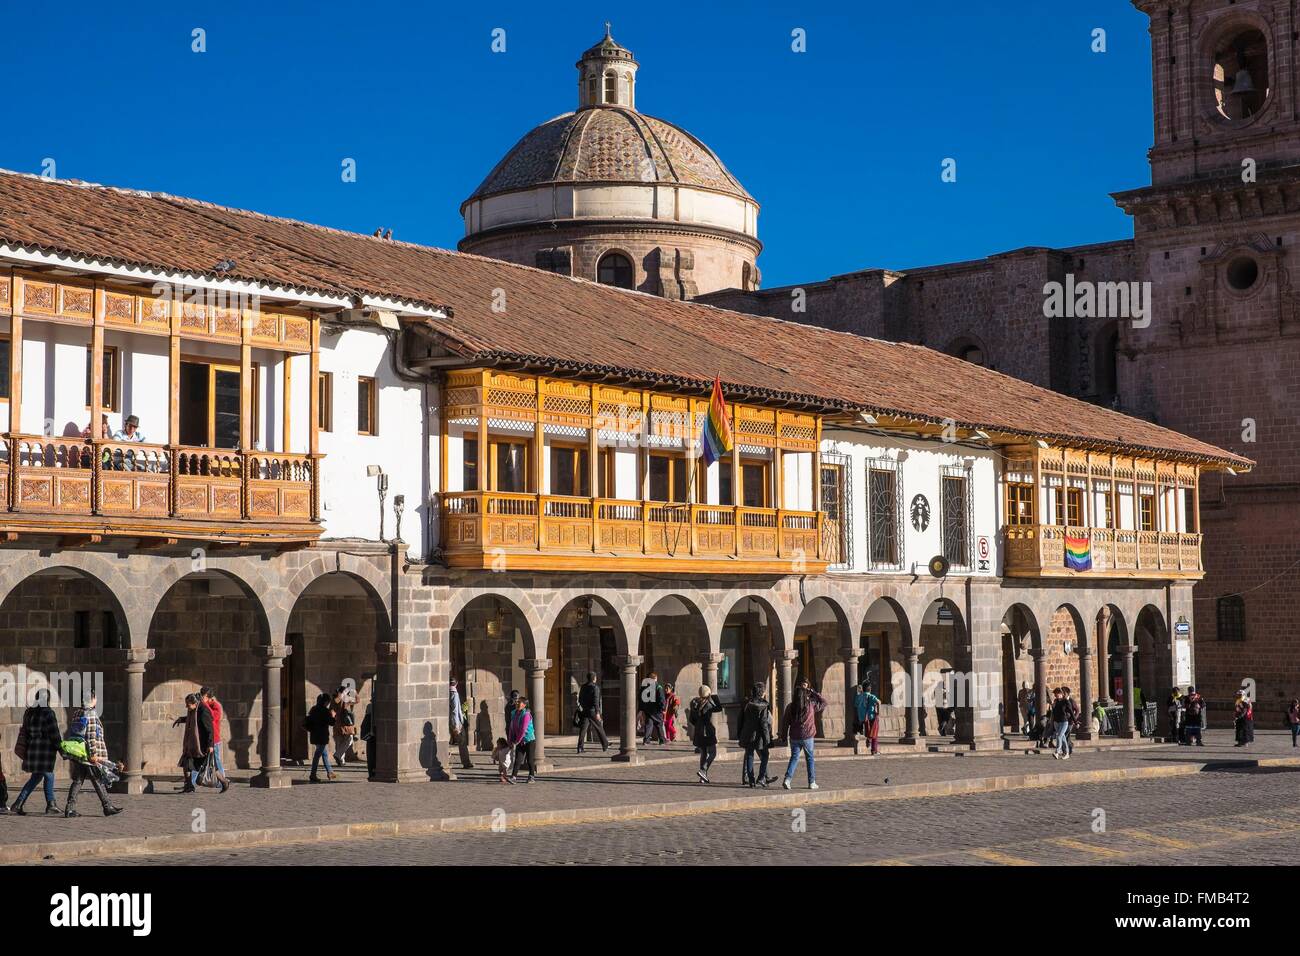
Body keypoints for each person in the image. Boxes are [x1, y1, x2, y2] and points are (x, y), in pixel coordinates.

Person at [63, 690, 123, 818]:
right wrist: (94, 755)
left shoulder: (77, 713)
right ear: (92, 699)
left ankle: (69, 808)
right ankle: (107, 807)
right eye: (95, 698)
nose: (96, 700)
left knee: (78, 781)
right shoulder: (90, 713)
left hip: (80, 753)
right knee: (97, 780)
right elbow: (90, 736)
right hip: (89, 755)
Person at [9, 688, 62, 816]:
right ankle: (51, 804)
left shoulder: (29, 713)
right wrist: (61, 748)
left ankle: (18, 804)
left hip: (32, 750)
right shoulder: (48, 713)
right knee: (49, 775)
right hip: (45, 752)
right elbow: (54, 734)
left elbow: (26, 733)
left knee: (36, 777)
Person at [781, 677, 826, 790]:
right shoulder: (810, 706)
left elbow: (785, 722)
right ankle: (811, 782)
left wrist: (783, 735)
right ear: (805, 695)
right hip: (807, 736)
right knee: (810, 758)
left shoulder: (790, 707)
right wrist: (813, 692)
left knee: (794, 758)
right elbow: (824, 702)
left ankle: (787, 779)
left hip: (794, 736)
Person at [738, 682, 774, 788]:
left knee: (750, 756)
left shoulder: (746, 704)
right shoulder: (764, 705)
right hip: (759, 735)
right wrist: (767, 739)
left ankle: (751, 780)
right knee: (765, 755)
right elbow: (764, 723)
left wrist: (739, 733)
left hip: (748, 733)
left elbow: (740, 719)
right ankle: (761, 777)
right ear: (762, 693)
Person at [689, 685, 722, 783]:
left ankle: (702, 778)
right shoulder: (708, 704)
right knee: (713, 752)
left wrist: (698, 725)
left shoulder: (694, 703)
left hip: (698, 730)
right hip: (707, 731)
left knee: (703, 753)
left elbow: (691, 719)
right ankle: (703, 770)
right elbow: (719, 708)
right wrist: (714, 696)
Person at [305, 693, 337, 782]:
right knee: (317, 755)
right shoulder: (325, 711)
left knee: (324, 754)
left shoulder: (313, 709)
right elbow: (332, 723)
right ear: (325, 702)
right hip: (322, 736)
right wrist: (333, 716)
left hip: (314, 735)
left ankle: (330, 772)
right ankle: (313, 774)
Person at [576, 671, 609, 753]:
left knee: (583, 729)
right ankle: (605, 745)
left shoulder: (583, 687)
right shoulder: (595, 687)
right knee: (599, 727)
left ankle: (580, 747)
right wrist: (598, 712)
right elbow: (596, 701)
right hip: (592, 711)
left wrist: (583, 707)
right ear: (594, 678)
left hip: (585, 710)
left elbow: (580, 699)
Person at [508, 696, 537, 783]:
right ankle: (513, 777)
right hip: (519, 740)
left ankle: (531, 776)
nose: (517, 703)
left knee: (530, 760)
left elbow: (523, 729)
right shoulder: (514, 713)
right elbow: (512, 727)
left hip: (529, 740)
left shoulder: (526, 715)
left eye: (519, 702)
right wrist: (510, 739)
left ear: (524, 705)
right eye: (517, 702)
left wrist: (517, 741)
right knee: (518, 759)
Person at [201, 687, 226, 778]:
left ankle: (223, 780)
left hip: (214, 739)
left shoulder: (216, 707)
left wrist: (206, 703)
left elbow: (212, 716)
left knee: (217, 760)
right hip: (207, 738)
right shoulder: (205, 705)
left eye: (203, 696)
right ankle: (191, 782)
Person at [333, 687, 358, 766]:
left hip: (338, 724)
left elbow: (356, 701)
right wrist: (352, 692)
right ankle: (338, 756)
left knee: (339, 742)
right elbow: (357, 700)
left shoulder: (339, 700)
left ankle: (340, 760)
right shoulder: (340, 700)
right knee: (347, 740)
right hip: (342, 724)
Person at [855, 682, 881, 756]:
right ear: (870, 689)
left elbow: (855, 705)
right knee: (874, 733)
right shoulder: (871, 696)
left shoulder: (858, 697)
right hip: (871, 717)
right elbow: (878, 702)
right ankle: (874, 750)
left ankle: (869, 739)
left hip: (862, 718)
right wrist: (878, 712)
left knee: (869, 731)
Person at [640, 672, 666, 746]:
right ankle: (662, 740)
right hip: (656, 710)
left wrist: (642, 708)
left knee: (648, 725)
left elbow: (641, 698)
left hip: (648, 709)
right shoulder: (658, 687)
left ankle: (646, 740)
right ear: (655, 679)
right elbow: (662, 699)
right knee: (659, 725)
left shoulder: (645, 687)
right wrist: (663, 709)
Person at [1051, 686, 1072, 759]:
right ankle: (1066, 753)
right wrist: (1053, 707)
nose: (1056, 695)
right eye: (1055, 694)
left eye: (1057, 694)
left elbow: (1071, 711)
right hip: (1056, 722)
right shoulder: (1055, 701)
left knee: (1059, 735)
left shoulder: (1066, 701)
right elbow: (1054, 713)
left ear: (1062, 694)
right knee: (1062, 738)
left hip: (1064, 721)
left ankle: (1057, 751)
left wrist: (1075, 722)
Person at [359, 698, 377, 780]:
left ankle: (371, 773)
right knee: (373, 755)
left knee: (371, 755)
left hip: (370, 734)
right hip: (374, 734)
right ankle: (373, 773)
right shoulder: (373, 707)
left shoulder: (369, 706)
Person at [449, 678, 465, 746]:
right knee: (462, 742)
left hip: (450, 719)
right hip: (456, 720)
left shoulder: (448, 692)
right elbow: (455, 710)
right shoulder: (454, 694)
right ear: (456, 684)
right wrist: (456, 725)